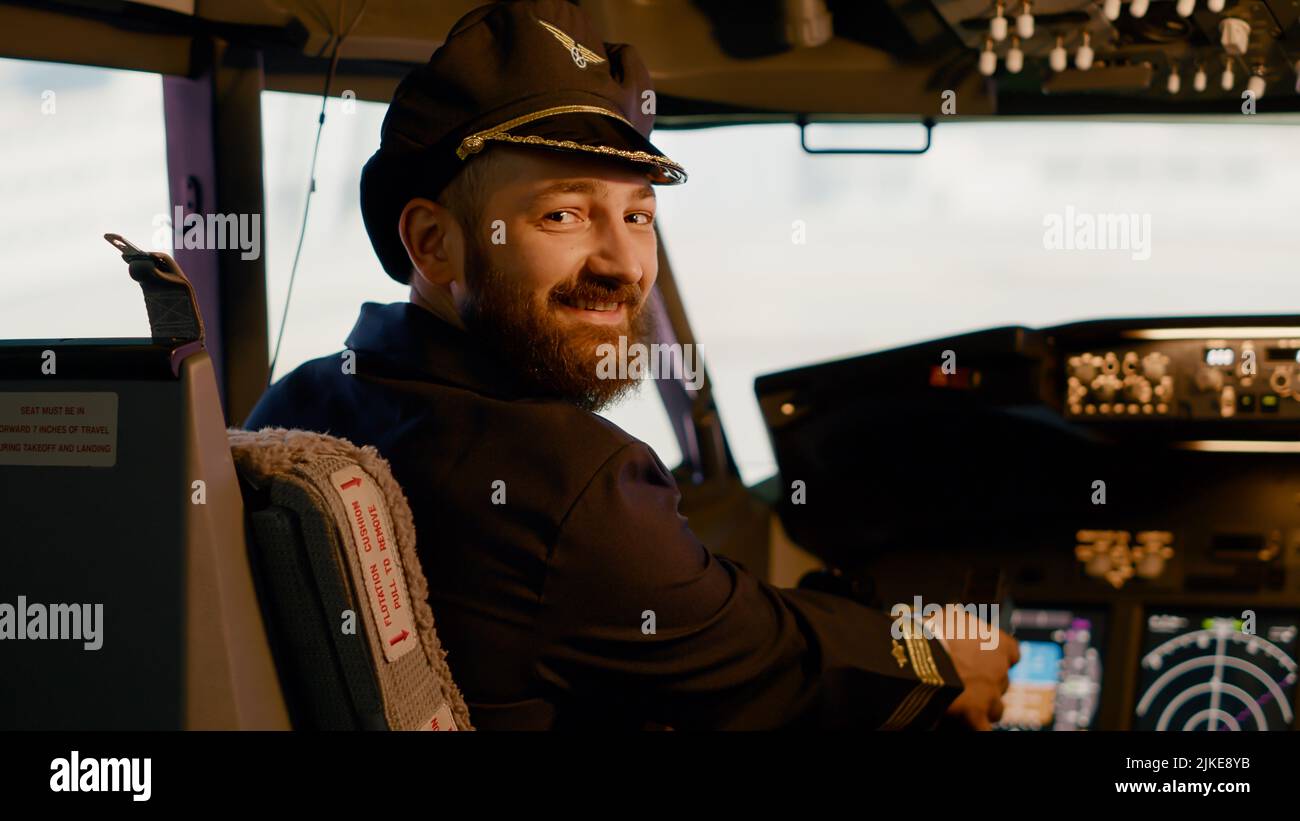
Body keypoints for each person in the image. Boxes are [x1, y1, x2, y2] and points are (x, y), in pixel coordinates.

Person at [245, 0, 1018, 730]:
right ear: (433, 242)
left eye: (639, 215)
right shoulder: (571, 481)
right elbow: (772, 664)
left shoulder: (304, 398)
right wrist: (941, 658)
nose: (622, 262)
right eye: (565, 213)